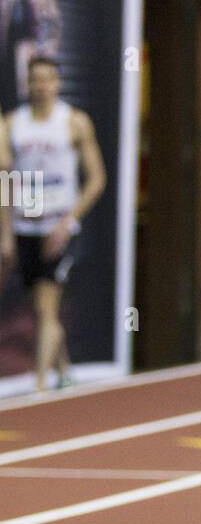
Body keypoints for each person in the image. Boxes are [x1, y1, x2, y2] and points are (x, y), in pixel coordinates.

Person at [0, 55, 106, 390]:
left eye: (49, 79)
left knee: (47, 309)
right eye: (36, 79)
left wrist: (67, 222)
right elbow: (7, 181)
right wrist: (6, 233)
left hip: (59, 227)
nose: (42, 86)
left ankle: (41, 386)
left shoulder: (73, 122)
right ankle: (64, 371)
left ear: (57, 83)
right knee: (41, 310)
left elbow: (97, 178)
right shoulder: (14, 124)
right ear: (26, 83)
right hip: (25, 227)